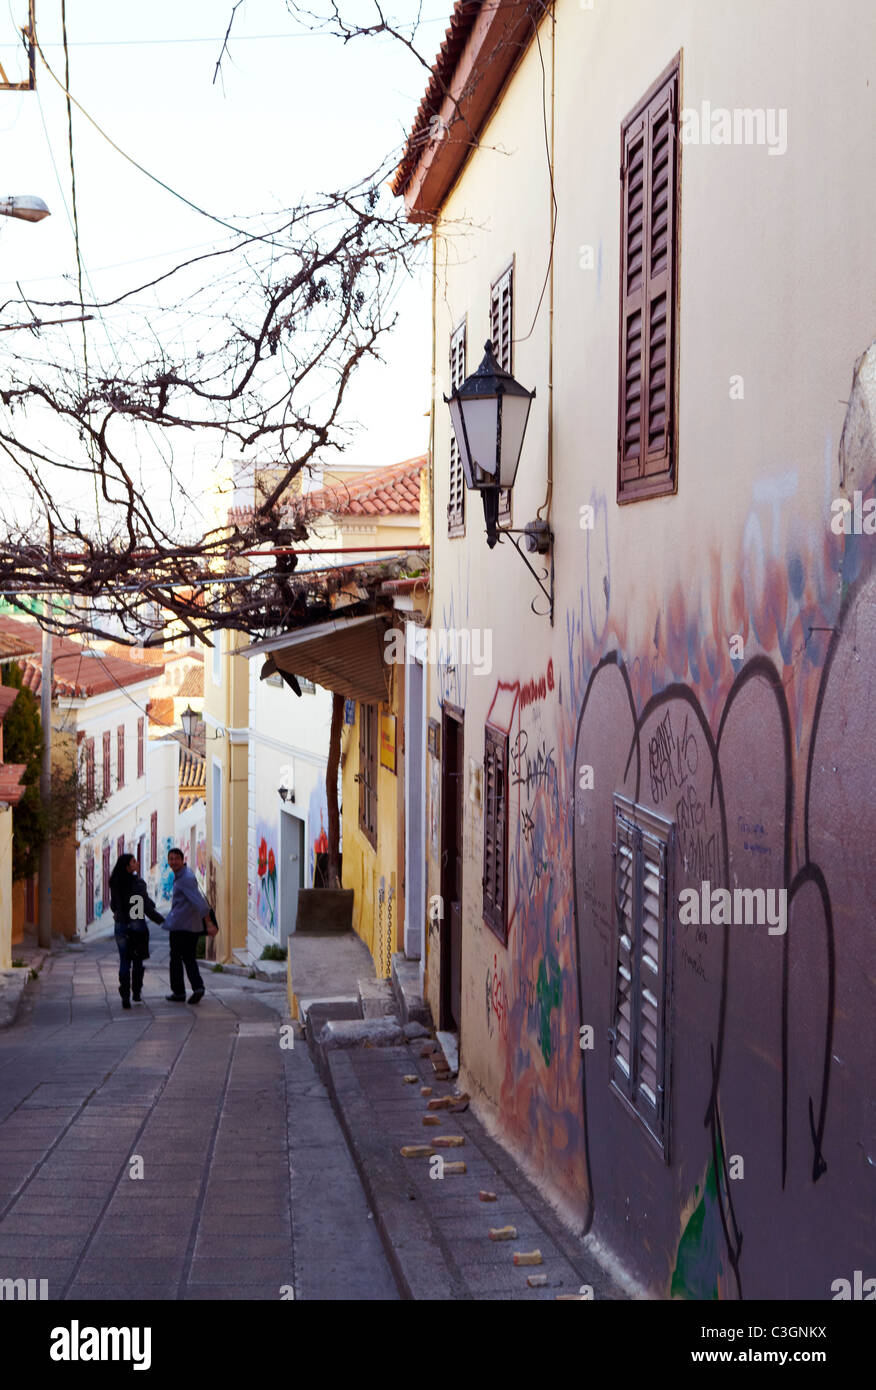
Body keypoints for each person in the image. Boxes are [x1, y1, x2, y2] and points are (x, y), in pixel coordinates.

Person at [109, 853, 164, 1009]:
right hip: (136, 923)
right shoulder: (138, 884)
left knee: (124, 960)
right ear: (127, 866)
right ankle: (137, 992)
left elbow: (114, 905)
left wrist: (120, 912)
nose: (137, 863)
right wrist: (162, 921)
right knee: (137, 960)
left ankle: (125, 996)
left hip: (120, 924)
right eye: (133, 861)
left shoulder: (115, 882)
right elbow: (144, 907)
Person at [161, 847, 212, 1004]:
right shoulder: (183, 875)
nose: (173, 862)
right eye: (171, 859)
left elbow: (200, 903)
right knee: (188, 957)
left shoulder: (185, 878)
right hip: (188, 926)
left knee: (176, 958)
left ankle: (179, 992)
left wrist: (209, 923)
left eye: (176, 858)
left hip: (182, 926)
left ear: (182, 860)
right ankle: (197, 988)